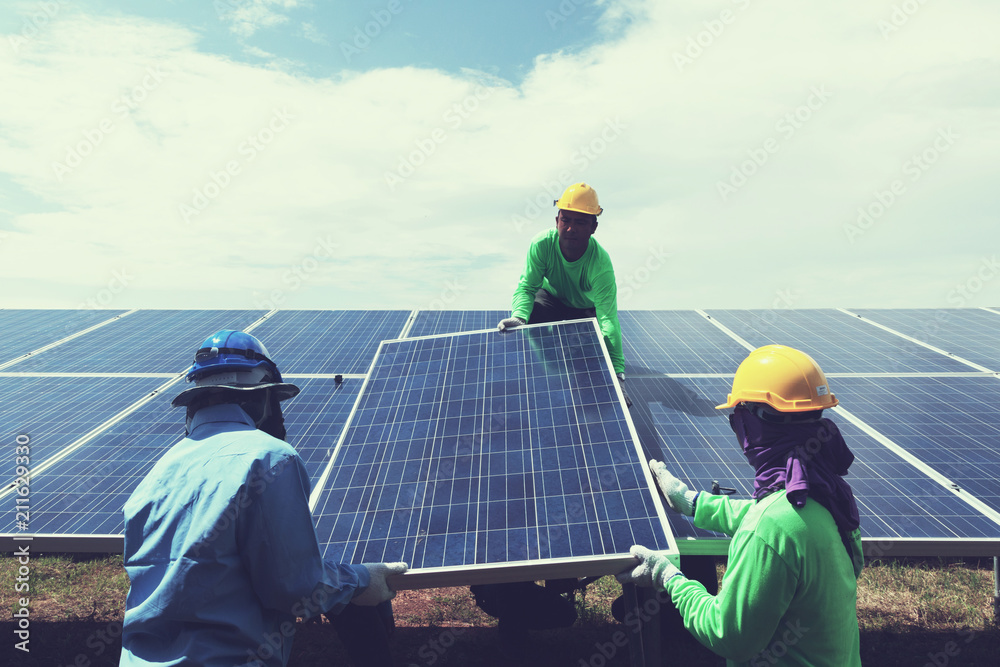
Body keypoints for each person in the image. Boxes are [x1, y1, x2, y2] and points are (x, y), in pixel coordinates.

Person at [120, 329, 407, 667]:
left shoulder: (160, 470)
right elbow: (295, 588)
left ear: (194, 401)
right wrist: (360, 580)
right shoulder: (271, 459)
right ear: (261, 399)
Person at [617, 345, 864, 666]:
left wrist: (670, 579)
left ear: (753, 425)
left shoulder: (770, 527)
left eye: (738, 419)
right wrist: (692, 503)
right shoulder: (828, 494)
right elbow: (770, 519)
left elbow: (728, 636)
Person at [497, 181, 630, 408]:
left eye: (580, 222)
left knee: (589, 351)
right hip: (551, 301)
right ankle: (545, 369)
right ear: (556, 221)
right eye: (566, 219)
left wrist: (617, 374)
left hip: (583, 310)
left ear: (593, 227)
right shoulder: (541, 245)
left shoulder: (601, 264)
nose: (570, 228)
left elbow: (607, 318)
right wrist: (519, 316)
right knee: (534, 313)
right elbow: (527, 287)